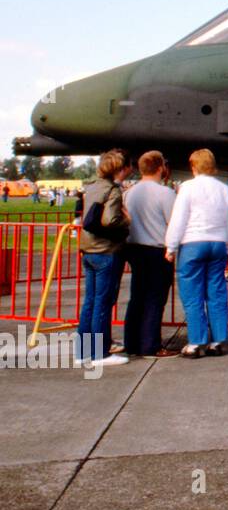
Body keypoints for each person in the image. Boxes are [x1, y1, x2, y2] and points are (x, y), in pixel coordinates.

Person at [165, 149, 228, 358]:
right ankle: (217, 341)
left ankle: (196, 342)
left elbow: (179, 218)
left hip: (192, 243)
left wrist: (171, 246)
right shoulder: (224, 189)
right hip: (217, 243)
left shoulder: (187, 188)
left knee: (192, 295)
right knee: (216, 292)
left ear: (194, 166)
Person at [76, 150, 133, 366]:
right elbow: (110, 220)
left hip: (89, 250)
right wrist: (127, 221)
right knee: (103, 301)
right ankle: (101, 353)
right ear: (121, 168)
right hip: (106, 251)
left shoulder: (92, 187)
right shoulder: (113, 190)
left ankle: (83, 351)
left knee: (90, 301)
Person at [123, 151, 179, 357]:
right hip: (157, 250)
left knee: (137, 296)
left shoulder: (130, 192)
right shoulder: (166, 193)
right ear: (160, 168)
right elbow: (173, 222)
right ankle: (151, 344)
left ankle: (131, 341)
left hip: (135, 248)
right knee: (156, 298)